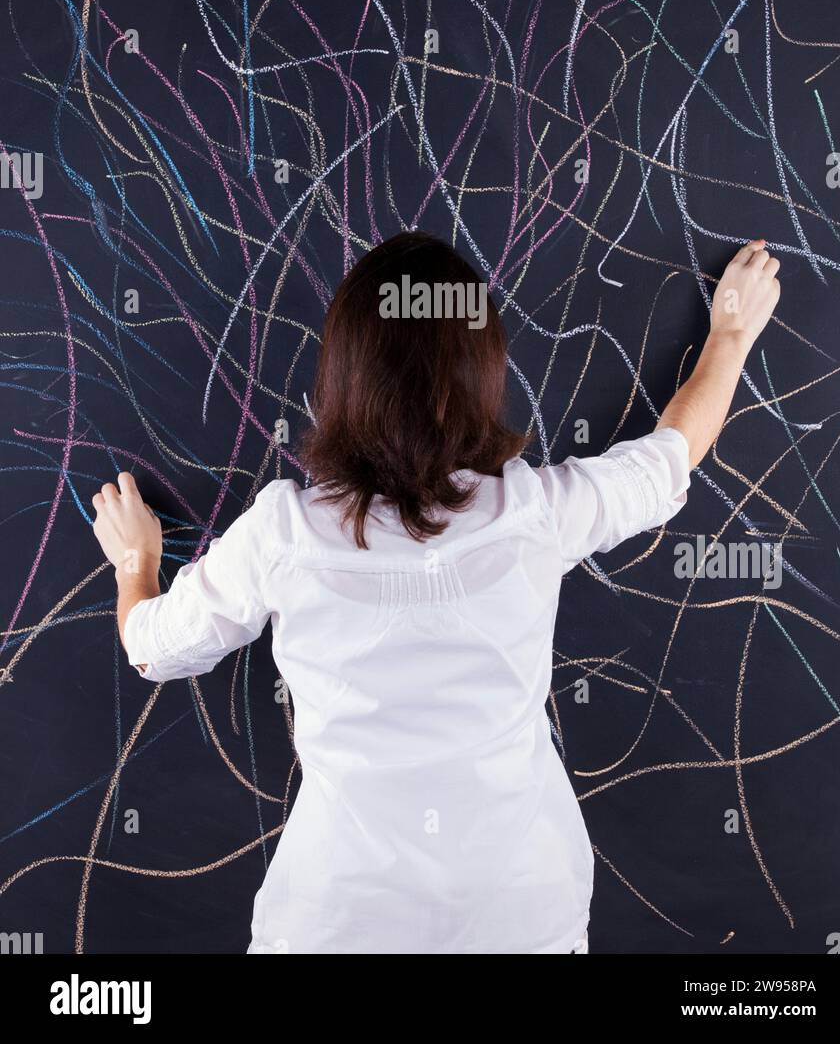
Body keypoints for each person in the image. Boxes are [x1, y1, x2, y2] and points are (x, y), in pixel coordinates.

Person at [91, 232, 780, 954]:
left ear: (345, 377)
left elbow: (153, 649)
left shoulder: (283, 534)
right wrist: (729, 335)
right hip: (522, 922)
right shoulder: (534, 514)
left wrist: (136, 562)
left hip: (336, 929)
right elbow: (668, 459)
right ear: (480, 376)